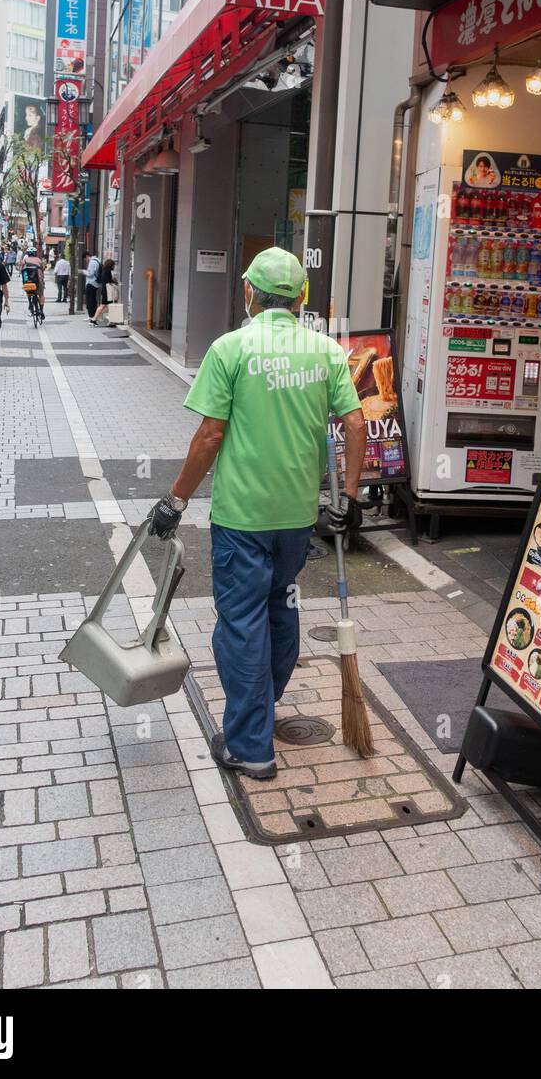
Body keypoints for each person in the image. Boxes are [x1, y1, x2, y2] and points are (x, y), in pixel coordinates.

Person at [148, 248, 367, 780]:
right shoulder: (327, 352)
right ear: (300, 298)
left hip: (242, 519)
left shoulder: (231, 348)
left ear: (249, 293)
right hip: (297, 519)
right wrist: (349, 498)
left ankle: (250, 746)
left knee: (241, 623)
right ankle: (261, 710)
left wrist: (175, 499)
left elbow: (210, 435)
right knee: (280, 610)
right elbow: (357, 425)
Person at [20, 246, 46, 318]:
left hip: (28, 281)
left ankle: (30, 304)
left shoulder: (25, 260)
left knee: (28, 291)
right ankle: (41, 310)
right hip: (38, 281)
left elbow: (21, 270)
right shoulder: (39, 260)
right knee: (41, 295)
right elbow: (42, 270)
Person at [92, 259, 117, 325]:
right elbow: (107, 280)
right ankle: (94, 319)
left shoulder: (104, 270)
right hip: (107, 291)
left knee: (109, 306)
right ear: (110, 265)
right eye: (113, 265)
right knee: (103, 306)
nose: (114, 266)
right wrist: (113, 281)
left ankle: (110, 321)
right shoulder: (107, 271)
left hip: (105, 290)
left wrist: (112, 281)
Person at [83, 251, 102, 320]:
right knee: (93, 300)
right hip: (96, 283)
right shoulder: (97, 260)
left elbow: (90, 273)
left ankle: (91, 316)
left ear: (87, 256)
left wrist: (83, 271)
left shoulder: (92, 262)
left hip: (91, 283)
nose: (86, 261)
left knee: (90, 300)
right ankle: (94, 315)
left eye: (85, 259)